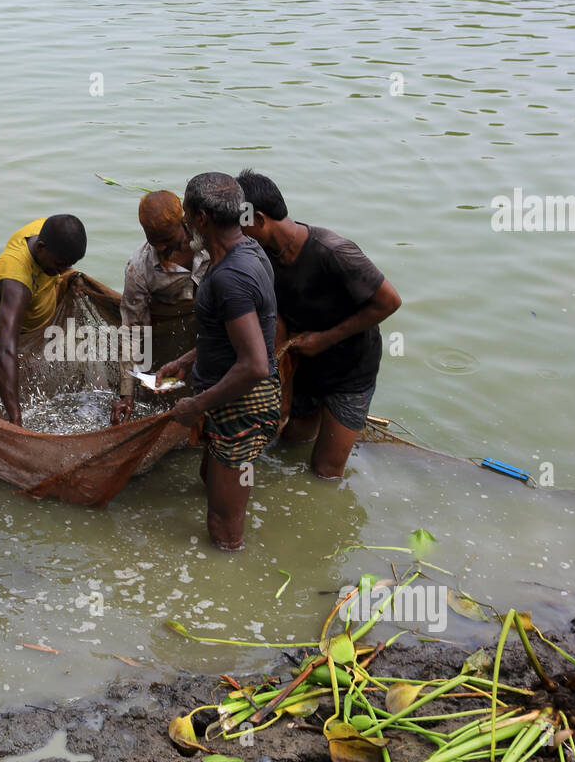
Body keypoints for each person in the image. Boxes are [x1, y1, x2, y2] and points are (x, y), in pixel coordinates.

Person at [235, 168, 402, 479]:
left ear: (257, 219)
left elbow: (389, 302)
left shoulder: (334, 252)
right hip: (307, 366)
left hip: (351, 370)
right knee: (289, 444)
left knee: (325, 471)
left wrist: (324, 339)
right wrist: (279, 382)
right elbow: (277, 312)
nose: (237, 235)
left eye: (240, 226)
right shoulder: (265, 256)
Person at [155, 173, 279, 552]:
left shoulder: (230, 277)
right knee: (212, 479)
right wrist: (187, 359)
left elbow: (255, 364)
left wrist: (196, 405)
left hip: (241, 405)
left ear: (202, 218)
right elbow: (240, 335)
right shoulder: (251, 251)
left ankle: (230, 594)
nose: (185, 223)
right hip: (231, 396)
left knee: (224, 529)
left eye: (188, 215)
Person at [110, 190, 209, 425]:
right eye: (156, 242)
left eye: (168, 239)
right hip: (169, 335)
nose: (163, 248)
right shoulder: (139, 270)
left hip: (212, 327)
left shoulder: (210, 241)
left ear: (183, 221)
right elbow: (132, 331)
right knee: (168, 398)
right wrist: (127, 395)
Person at [0, 215, 87, 426]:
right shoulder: (15, 283)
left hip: (38, 334)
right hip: (1, 343)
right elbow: (5, 350)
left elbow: (62, 263)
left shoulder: (44, 230)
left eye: (68, 265)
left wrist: (70, 274)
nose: (62, 270)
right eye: (60, 265)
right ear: (40, 247)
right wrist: (15, 419)